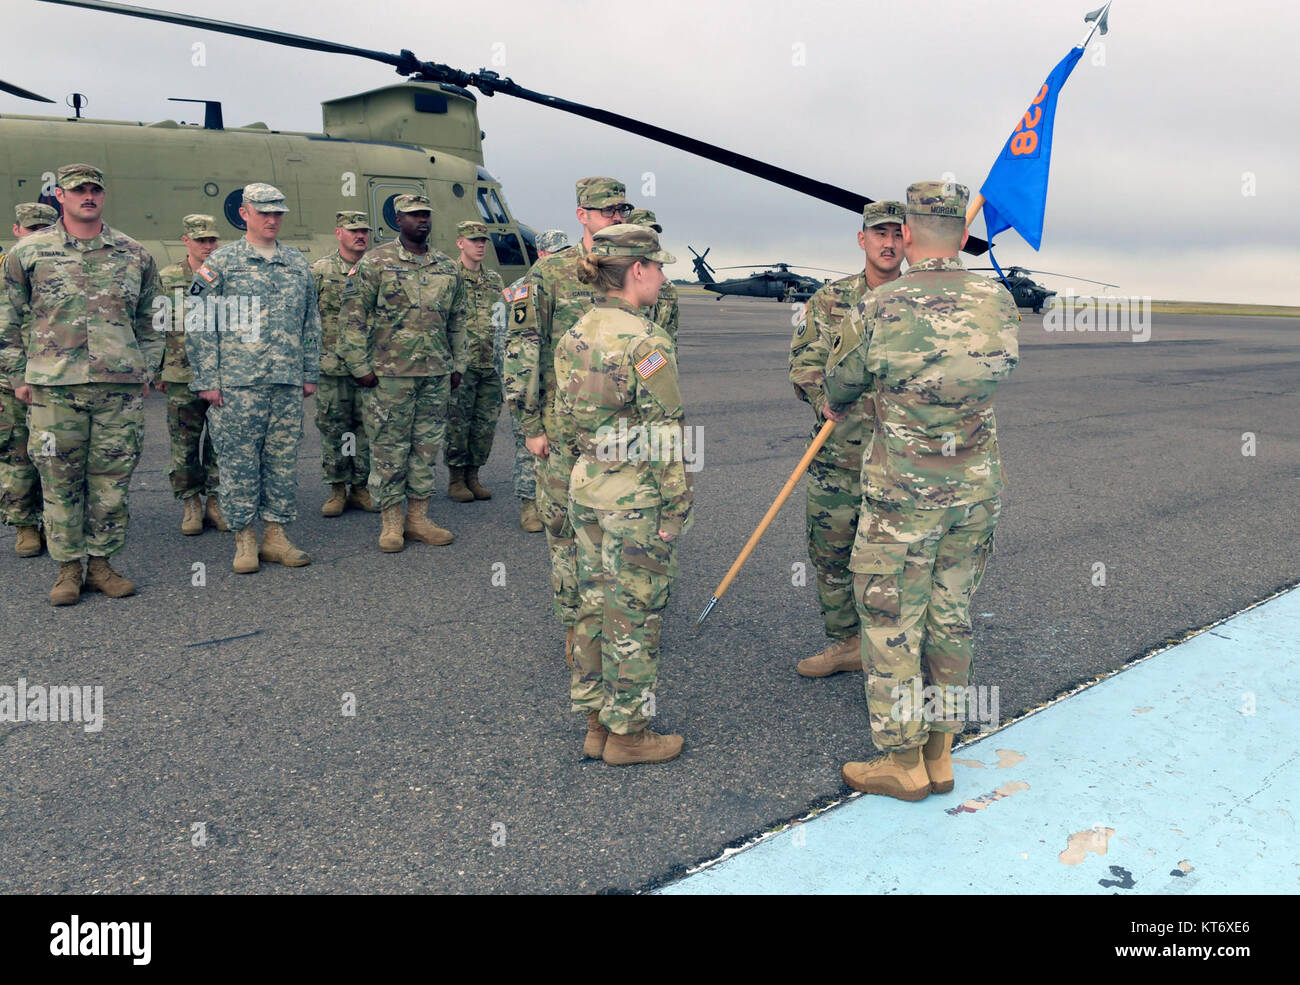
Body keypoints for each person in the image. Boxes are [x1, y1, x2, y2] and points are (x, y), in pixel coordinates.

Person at [824, 180, 1019, 801]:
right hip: (973, 490)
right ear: (963, 235)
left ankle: (902, 760)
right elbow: (998, 369)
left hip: (902, 497)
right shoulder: (999, 299)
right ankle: (942, 751)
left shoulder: (881, 305)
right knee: (950, 615)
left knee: (890, 621)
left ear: (904, 235)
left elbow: (840, 381)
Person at [556, 223, 691, 765]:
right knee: (633, 612)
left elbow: (565, 421)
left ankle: (595, 723)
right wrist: (676, 505)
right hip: (635, 496)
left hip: (587, 486)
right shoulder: (645, 340)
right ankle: (629, 735)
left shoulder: (577, 332)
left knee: (591, 604)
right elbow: (665, 429)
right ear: (637, 270)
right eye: (657, 267)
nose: (661, 277)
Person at [0, 164, 163, 604]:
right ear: (60, 197)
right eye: (78, 190)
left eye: (94, 190)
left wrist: (144, 368)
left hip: (117, 391)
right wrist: (17, 376)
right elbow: (7, 320)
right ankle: (68, 569)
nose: (87, 196)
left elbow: (154, 319)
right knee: (58, 480)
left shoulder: (134, 254)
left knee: (112, 481)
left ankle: (102, 566)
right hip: (53, 390)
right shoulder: (28, 253)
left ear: (103, 196)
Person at [504, 176, 631, 665]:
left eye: (622, 210)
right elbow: (522, 351)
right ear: (583, 215)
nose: (616, 218)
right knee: (564, 535)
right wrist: (531, 426)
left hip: (623, 435)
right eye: (607, 211)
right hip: (563, 433)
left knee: (621, 531)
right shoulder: (551, 275)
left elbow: (660, 355)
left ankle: (619, 627)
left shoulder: (638, 274)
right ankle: (576, 630)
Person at [788, 200, 905, 677]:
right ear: (863, 240)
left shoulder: (922, 301)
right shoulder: (830, 300)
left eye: (898, 234)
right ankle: (845, 645)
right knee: (831, 554)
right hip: (837, 456)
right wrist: (823, 399)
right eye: (880, 234)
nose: (889, 243)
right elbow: (803, 362)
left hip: (901, 463)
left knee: (897, 565)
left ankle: (894, 654)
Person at [187, 182, 320, 574]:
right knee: (238, 461)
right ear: (244, 213)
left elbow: (311, 321)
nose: (272, 219)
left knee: (282, 459)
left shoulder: (296, 263)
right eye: (264, 212)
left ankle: (275, 535)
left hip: (286, 380)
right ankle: (244, 537)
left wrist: (309, 371)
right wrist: (207, 379)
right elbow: (198, 321)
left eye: (278, 212)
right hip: (237, 383)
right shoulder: (222, 263)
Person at [337, 193, 465, 553]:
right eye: (412, 216)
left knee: (425, 449)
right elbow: (352, 317)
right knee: (389, 449)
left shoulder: (446, 266)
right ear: (398, 221)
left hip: (435, 374)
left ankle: (419, 519)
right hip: (389, 376)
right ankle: (391, 522)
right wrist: (359, 367)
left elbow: (458, 319)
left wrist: (459, 364)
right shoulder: (376, 262)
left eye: (425, 214)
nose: (421, 221)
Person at [496, 228, 569, 532]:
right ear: (540, 255)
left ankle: (560, 505)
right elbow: (504, 339)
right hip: (529, 382)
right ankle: (530, 505)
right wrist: (516, 385)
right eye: (553, 254)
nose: (558, 260)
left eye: (563, 253)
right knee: (528, 445)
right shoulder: (519, 290)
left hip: (564, 383)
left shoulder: (572, 286)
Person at [157, 213, 225, 535]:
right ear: (186, 240)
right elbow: (156, 327)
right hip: (181, 374)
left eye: (212, 239)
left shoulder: (226, 275)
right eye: (201, 240)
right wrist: (156, 370)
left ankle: (215, 501)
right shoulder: (168, 278)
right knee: (183, 445)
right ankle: (190, 503)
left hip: (221, 375)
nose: (208, 246)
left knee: (219, 442)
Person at [0, 202, 57, 558]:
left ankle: (56, 524)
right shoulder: (5, 268)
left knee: (55, 455)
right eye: (30, 229)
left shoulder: (60, 268)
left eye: (43, 230)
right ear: (17, 231)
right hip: (8, 378)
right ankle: (24, 525)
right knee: (16, 451)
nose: (36, 236)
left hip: (52, 379)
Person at [313, 210, 375, 517]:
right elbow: (307, 318)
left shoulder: (377, 268)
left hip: (369, 367)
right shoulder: (321, 270)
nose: (360, 236)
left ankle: (361, 487)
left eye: (364, 231)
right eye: (353, 231)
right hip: (333, 367)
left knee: (366, 428)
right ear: (339, 233)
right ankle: (337, 488)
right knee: (335, 428)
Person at [445, 220, 504, 503]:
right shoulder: (449, 276)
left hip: (489, 363)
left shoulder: (494, 279)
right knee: (458, 422)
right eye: (473, 240)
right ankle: (456, 478)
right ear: (460, 243)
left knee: (484, 424)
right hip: (462, 365)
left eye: (483, 240)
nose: (480, 245)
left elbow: (501, 321)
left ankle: (474, 475)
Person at [626, 208, 679, 343]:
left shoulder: (667, 289)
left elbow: (670, 338)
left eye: (652, 233)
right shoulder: (613, 282)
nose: (649, 238)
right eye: (643, 233)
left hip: (655, 359)